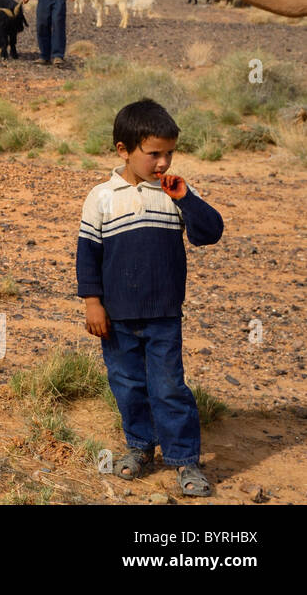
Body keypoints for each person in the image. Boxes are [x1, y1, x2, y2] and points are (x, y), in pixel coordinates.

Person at [76, 99, 223, 496]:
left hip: (163, 315)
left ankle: (184, 459)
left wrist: (186, 197)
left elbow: (210, 232)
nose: (163, 162)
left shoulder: (172, 194)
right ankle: (139, 447)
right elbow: (88, 254)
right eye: (153, 153)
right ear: (124, 150)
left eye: (169, 153)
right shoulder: (101, 197)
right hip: (117, 317)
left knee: (169, 387)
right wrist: (93, 303)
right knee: (128, 384)